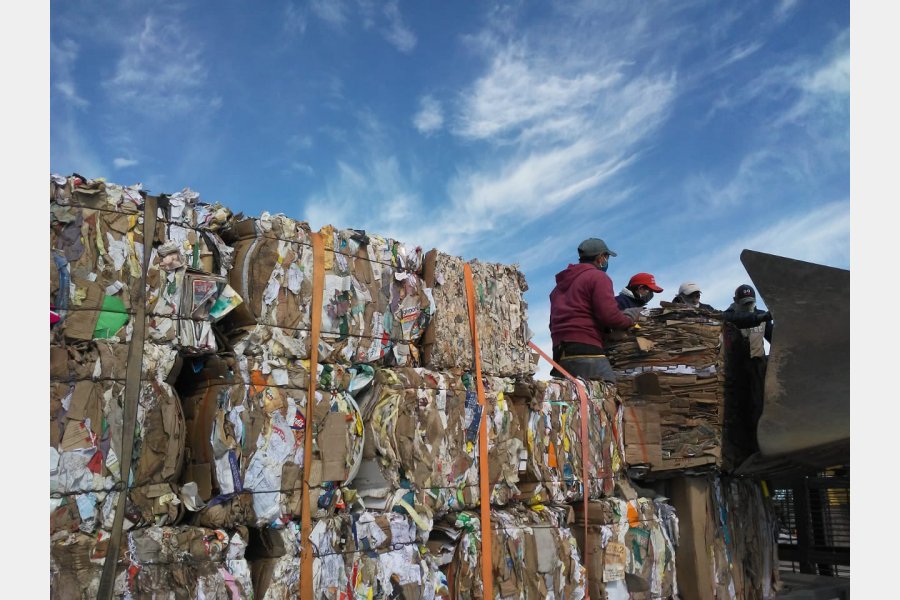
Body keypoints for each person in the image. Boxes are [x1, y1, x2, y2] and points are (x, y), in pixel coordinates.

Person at [549, 237, 638, 383]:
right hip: (585, 347)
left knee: (574, 399)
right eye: (607, 257)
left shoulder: (558, 288)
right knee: (607, 394)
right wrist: (628, 321)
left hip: (559, 351)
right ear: (600, 258)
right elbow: (609, 315)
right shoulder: (598, 277)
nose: (607, 261)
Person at [722, 283, 774, 463]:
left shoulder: (763, 318)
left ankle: (757, 448)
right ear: (735, 300)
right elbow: (736, 319)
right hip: (732, 370)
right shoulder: (727, 317)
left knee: (757, 407)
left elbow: (774, 338)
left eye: (750, 302)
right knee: (734, 410)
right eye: (743, 302)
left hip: (755, 368)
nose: (747, 305)